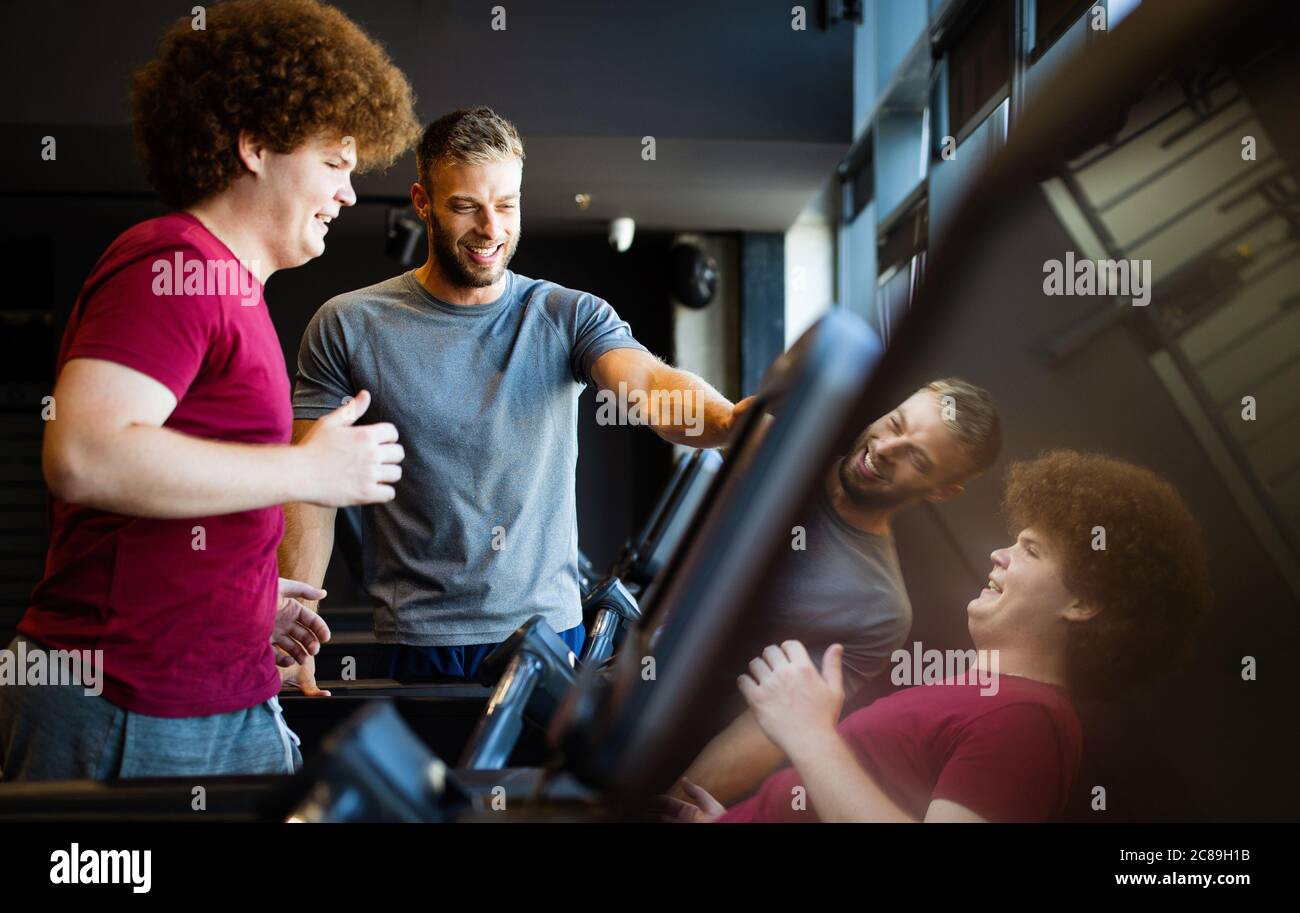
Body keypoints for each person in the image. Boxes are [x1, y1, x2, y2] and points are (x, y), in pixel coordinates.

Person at [0, 0, 419, 781]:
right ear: (255, 144)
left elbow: (169, 498)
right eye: (335, 162)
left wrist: (244, 596)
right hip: (124, 701)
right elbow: (86, 453)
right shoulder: (170, 260)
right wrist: (307, 470)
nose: (350, 194)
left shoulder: (236, 290)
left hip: (216, 696)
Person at [278, 107, 750, 688]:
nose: (491, 229)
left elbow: (651, 390)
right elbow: (308, 493)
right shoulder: (349, 324)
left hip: (546, 634)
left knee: (535, 784)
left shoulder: (566, 314)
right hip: (421, 637)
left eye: (506, 204)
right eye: (465, 206)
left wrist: (729, 420)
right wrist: (297, 633)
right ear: (423, 202)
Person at [664, 450, 1212, 822]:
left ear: (1082, 603)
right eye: (1016, 541)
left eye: (1032, 550)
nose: (1001, 554)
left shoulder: (1030, 722)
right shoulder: (991, 698)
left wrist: (808, 731)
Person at [678, 379, 1001, 805]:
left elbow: (767, 725)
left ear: (941, 491)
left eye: (917, 460)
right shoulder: (781, 447)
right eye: (895, 423)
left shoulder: (880, 610)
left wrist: (670, 802)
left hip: (667, 732)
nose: (887, 448)